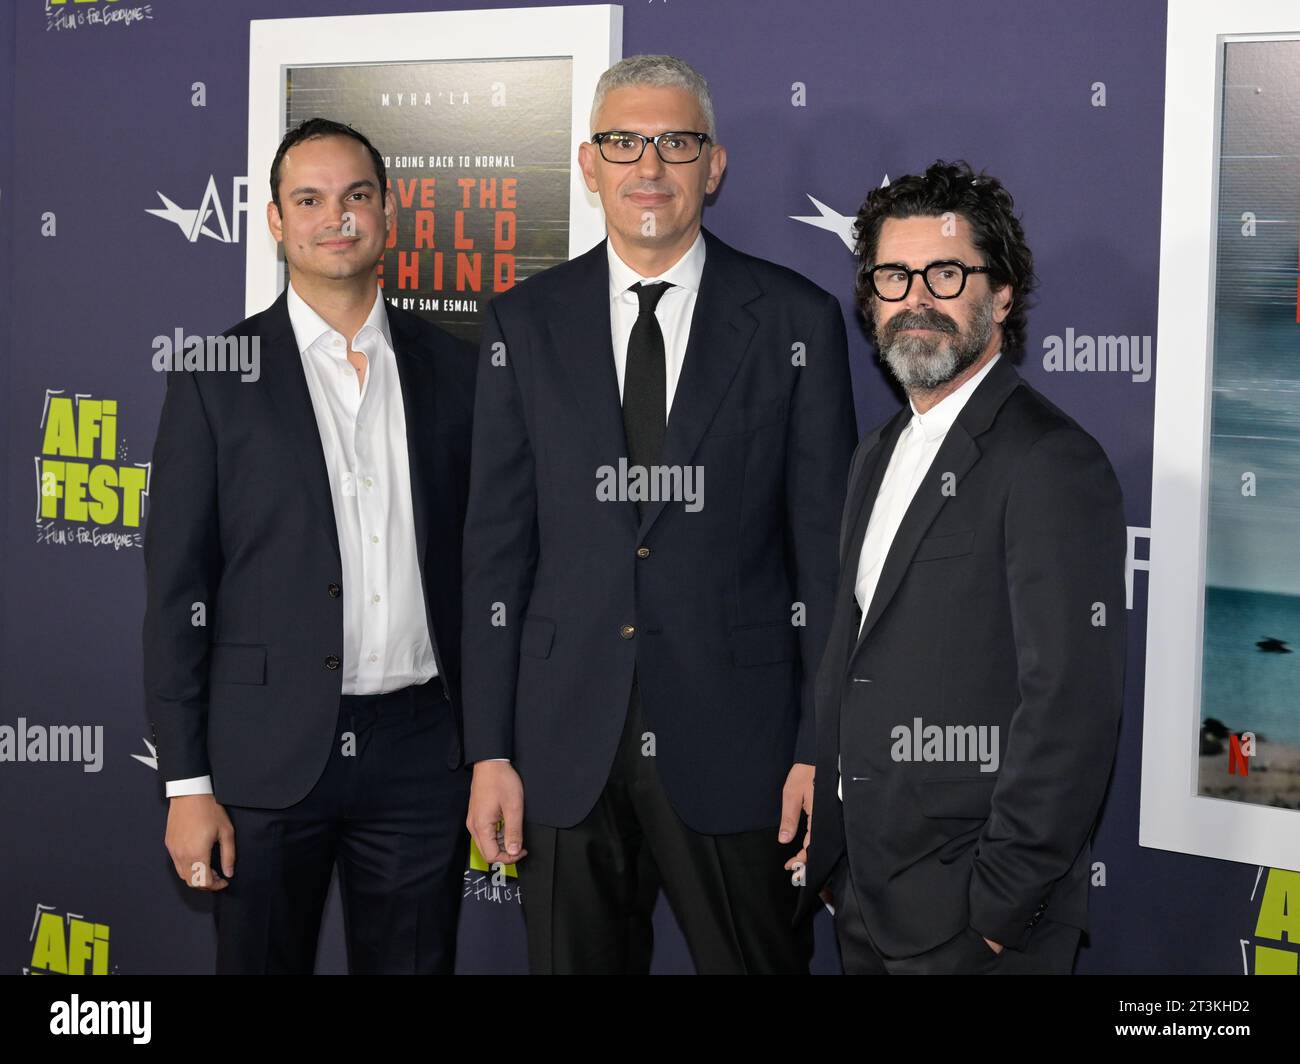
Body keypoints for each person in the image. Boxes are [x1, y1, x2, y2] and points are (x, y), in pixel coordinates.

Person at [462, 54, 856, 974]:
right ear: (588, 163)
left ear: (713, 165)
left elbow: (825, 559)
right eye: (623, 142)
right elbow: (494, 553)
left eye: (676, 143)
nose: (650, 166)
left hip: (742, 746)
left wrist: (814, 748)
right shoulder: (522, 322)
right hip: (562, 747)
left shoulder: (795, 322)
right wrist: (488, 750)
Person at [143, 118, 476, 974]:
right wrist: (186, 785)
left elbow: (493, 567)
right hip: (263, 755)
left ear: (389, 216)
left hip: (421, 753)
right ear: (277, 222)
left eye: (357, 196)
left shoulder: (460, 369)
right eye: (311, 199)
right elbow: (178, 592)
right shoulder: (216, 376)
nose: (338, 218)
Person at [793, 160, 1126, 975]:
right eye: (893, 275)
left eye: (946, 273)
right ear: (870, 298)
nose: (917, 299)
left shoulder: (1051, 461)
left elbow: (1071, 709)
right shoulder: (876, 452)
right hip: (865, 893)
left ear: (1002, 296)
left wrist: (999, 908)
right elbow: (853, 647)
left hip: (973, 921)